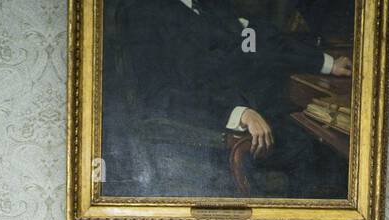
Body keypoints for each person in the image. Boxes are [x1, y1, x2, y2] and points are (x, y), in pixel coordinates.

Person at [104, 0, 352, 197]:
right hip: (206, 130)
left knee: (324, 141)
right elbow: (159, 96)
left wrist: (326, 63)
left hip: (253, 111)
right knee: (315, 151)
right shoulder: (142, 12)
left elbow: (260, 40)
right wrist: (238, 113)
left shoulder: (209, 6)